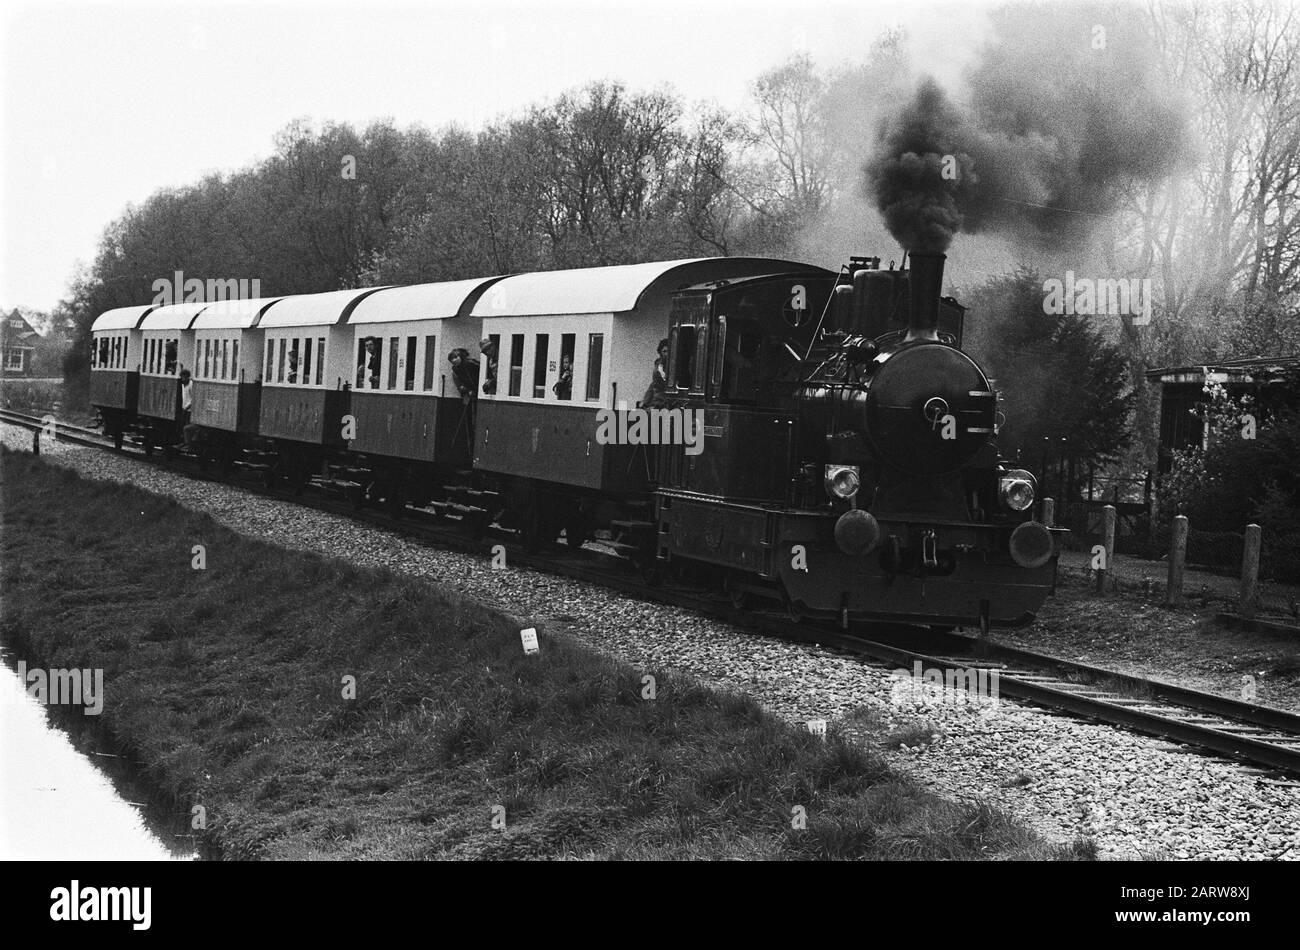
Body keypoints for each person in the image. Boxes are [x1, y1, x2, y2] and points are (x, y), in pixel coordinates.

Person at [641, 337, 669, 408]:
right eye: (664, 351)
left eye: (668, 351)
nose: (666, 354)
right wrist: (645, 402)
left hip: (665, 402)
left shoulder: (672, 366)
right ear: (660, 353)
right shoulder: (659, 366)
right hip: (657, 401)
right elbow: (654, 384)